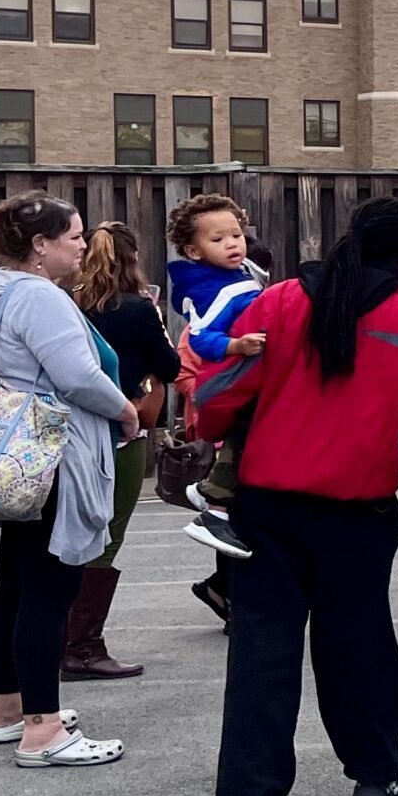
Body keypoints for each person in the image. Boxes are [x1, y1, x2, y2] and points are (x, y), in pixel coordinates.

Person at [193, 198, 398, 796]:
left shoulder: (282, 301)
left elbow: (218, 394)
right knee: (359, 647)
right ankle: (375, 778)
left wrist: (217, 432)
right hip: (356, 514)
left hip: (266, 508)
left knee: (262, 650)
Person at [0, 192, 141, 768]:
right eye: (73, 235)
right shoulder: (42, 299)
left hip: (21, 462)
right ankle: (43, 732)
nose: (82, 243)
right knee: (49, 592)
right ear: (40, 246)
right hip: (54, 461)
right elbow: (77, 376)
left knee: (16, 588)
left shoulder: (2, 294)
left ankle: (9, 710)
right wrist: (126, 410)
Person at [64, 221, 181, 681]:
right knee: (108, 533)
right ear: (132, 260)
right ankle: (83, 647)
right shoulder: (136, 309)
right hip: (121, 428)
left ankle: (59, 638)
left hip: (72, 431)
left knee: (68, 534)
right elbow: (169, 365)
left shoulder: (70, 306)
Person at [166, 194, 266, 563]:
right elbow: (201, 338)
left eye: (236, 235)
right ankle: (215, 510)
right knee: (245, 435)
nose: (232, 244)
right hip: (231, 375)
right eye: (218, 239)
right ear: (193, 251)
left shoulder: (235, 276)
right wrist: (237, 345)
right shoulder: (216, 291)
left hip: (240, 374)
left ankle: (209, 491)